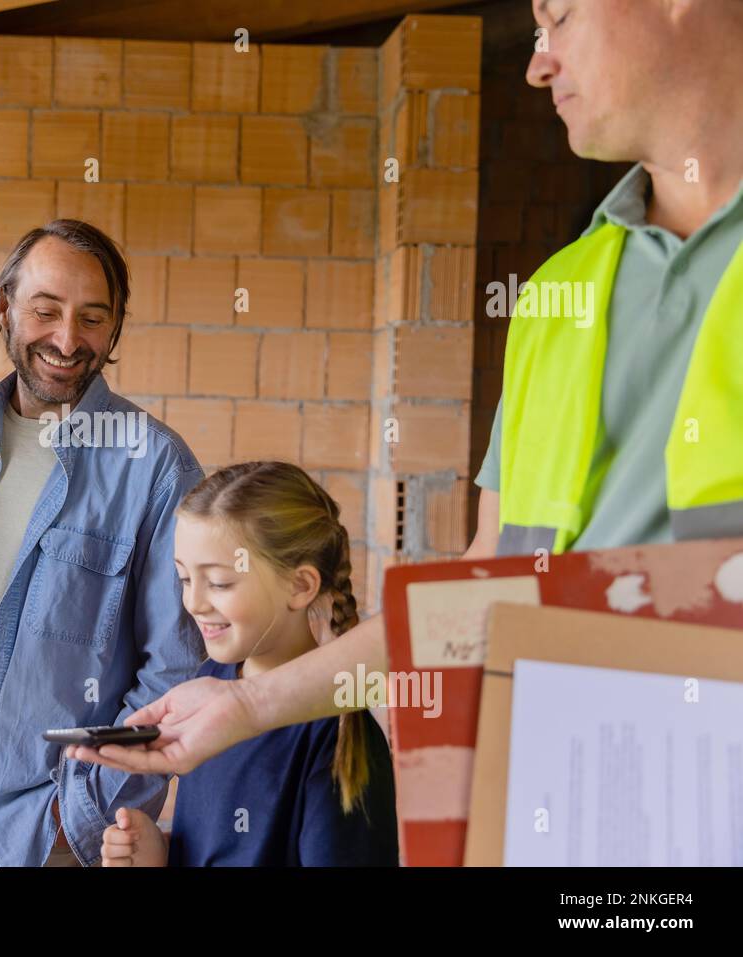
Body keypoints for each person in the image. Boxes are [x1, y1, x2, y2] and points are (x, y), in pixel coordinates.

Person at [70, 0, 743, 780]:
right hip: (573, 792)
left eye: (559, 18)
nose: (538, 62)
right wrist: (249, 705)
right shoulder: (563, 293)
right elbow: (494, 579)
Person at [0, 219, 205, 866]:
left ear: (116, 327)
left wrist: (78, 820)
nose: (67, 339)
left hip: (41, 837)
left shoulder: (158, 466)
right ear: (4, 307)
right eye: (45, 311)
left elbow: (175, 670)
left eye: (93, 318)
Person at [100, 463, 397, 867]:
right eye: (185, 579)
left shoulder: (340, 734)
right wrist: (162, 855)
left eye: (219, 583)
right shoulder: (208, 684)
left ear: (300, 585)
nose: (194, 602)